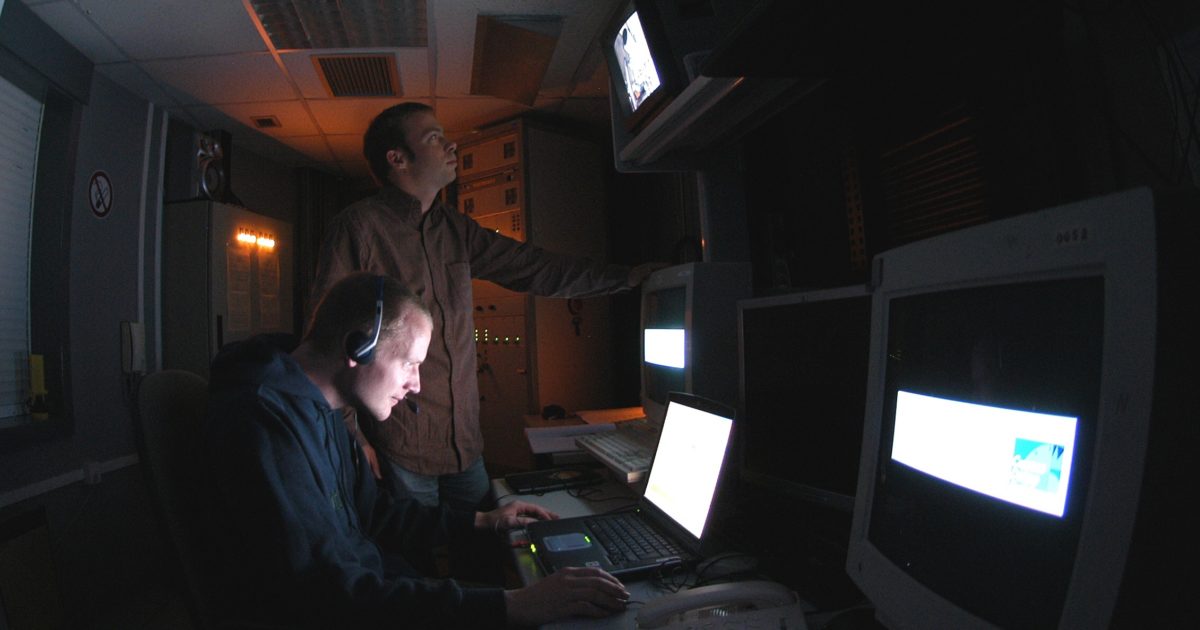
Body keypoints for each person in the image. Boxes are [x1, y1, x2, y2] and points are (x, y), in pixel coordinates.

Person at [204, 272, 629, 628]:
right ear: (358, 347)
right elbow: (328, 595)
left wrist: (483, 520)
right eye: (410, 363)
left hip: (373, 592)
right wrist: (513, 606)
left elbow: (376, 515)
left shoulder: (322, 408)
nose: (416, 385)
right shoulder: (264, 425)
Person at [310, 102, 662, 511]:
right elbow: (327, 342)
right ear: (397, 159)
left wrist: (628, 278)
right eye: (433, 137)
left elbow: (535, 268)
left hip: (465, 448)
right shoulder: (358, 228)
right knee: (415, 562)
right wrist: (355, 440)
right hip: (398, 448)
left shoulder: (455, 229)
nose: (450, 144)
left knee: (484, 558)